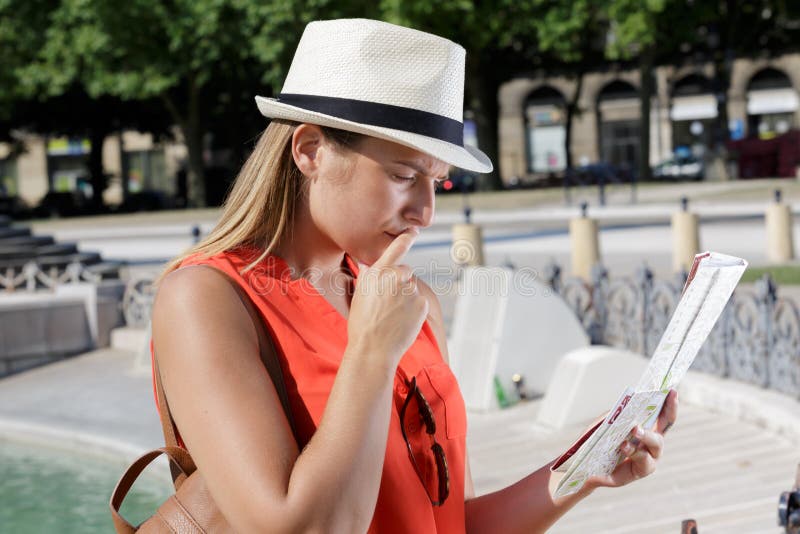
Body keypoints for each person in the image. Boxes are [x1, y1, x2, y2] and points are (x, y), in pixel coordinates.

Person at [151, 18, 678, 533]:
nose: (424, 212)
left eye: (438, 183)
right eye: (404, 175)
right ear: (310, 150)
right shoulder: (208, 298)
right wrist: (372, 353)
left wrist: (583, 468)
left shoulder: (412, 304)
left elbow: (451, 522)